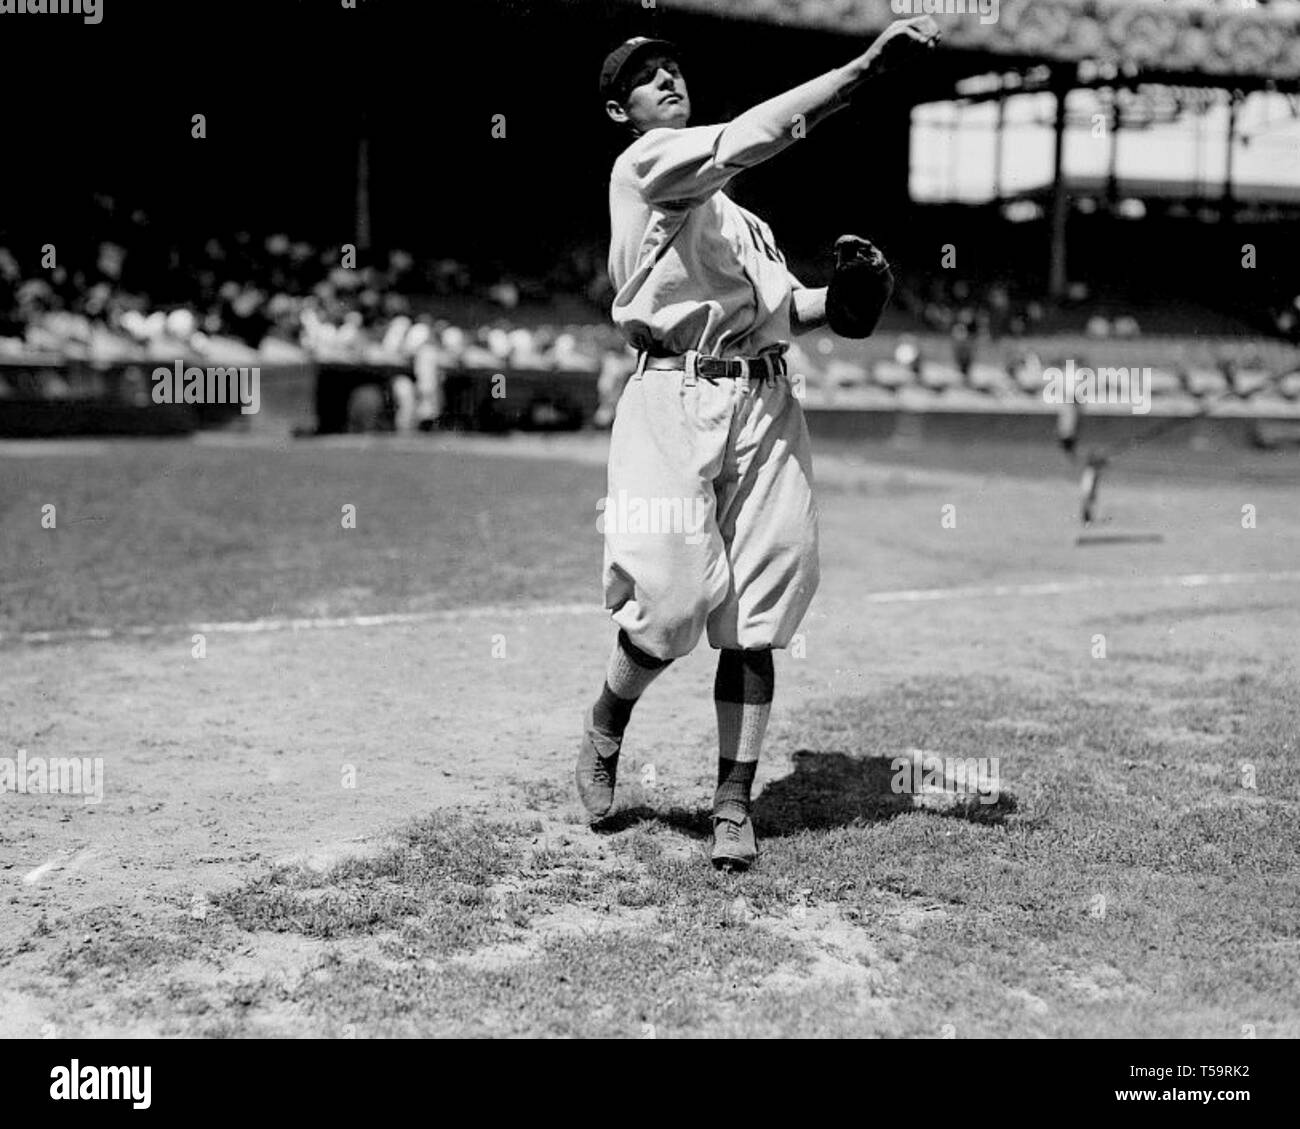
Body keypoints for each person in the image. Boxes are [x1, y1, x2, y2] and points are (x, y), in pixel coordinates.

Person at [575, 20, 941, 870]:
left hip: (766, 395)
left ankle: (733, 801)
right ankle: (606, 721)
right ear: (618, 109)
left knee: (758, 610)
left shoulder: (744, 223)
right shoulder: (646, 167)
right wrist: (861, 70)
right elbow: (752, 136)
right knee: (666, 604)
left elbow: (793, 313)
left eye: (671, 66)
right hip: (672, 392)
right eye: (644, 76)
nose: (665, 78)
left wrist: (847, 300)